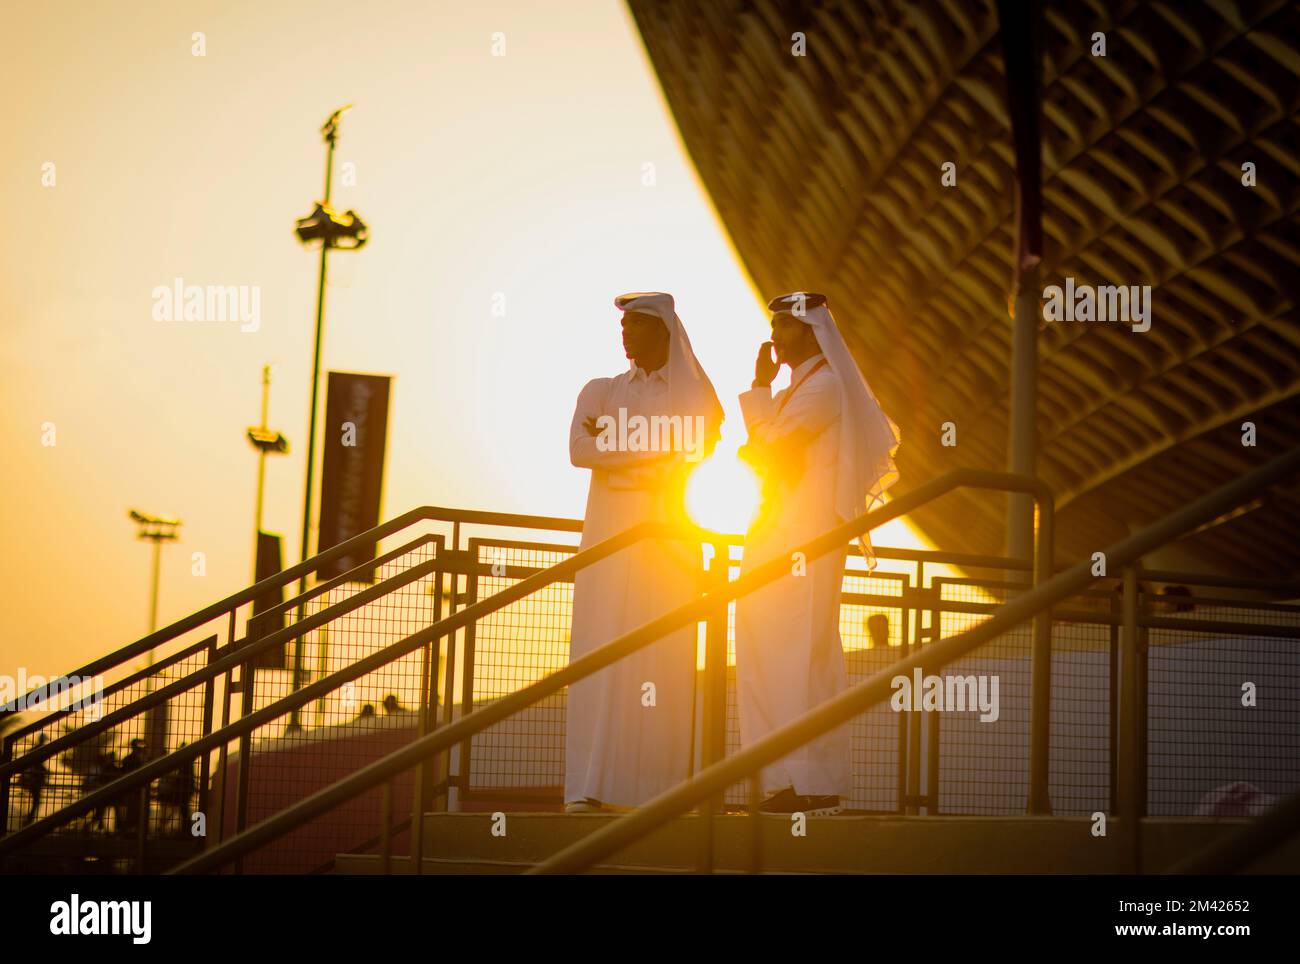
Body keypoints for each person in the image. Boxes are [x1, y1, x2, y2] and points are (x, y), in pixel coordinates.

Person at [735, 291, 900, 816]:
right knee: (767, 650)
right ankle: (783, 778)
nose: (774, 336)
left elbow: (770, 450)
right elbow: (766, 451)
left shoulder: (826, 386)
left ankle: (813, 785)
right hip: (777, 534)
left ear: (811, 331)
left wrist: (760, 396)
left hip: (807, 537)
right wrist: (763, 400)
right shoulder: (793, 391)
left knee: (803, 654)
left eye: (784, 326)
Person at [565, 292, 723, 812]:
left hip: (667, 547)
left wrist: (618, 451)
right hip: (607, 543)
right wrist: (653, 452)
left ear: (664, 332)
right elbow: (578, 451)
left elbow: (692, 454)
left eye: (636, 325)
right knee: (600, 653)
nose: (626, 334)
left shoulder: (694, 397)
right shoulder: (601, 389)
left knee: (663, 658)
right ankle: (589, 787)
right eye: (623, 325)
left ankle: (658, 790)